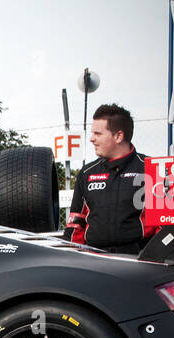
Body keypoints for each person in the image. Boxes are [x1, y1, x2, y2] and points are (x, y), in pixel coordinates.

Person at [63, 103, 156, 254]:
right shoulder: (87, 173)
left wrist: (153, 257)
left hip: (140, 261)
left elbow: (163, 225)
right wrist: (68, 258)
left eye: (98, 134)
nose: (92, 139)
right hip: (95, 260)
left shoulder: (151, 169)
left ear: (118, 136)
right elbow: (76, 224)